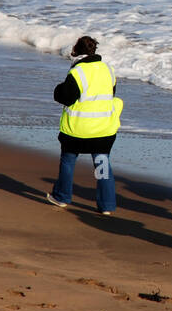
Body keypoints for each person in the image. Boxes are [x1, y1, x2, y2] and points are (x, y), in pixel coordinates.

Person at [47, 35, 123, 215]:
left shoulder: (77, 72)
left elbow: (65, 97)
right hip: (104, 128)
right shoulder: (108, 70)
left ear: (76, 51)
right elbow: (109, 93)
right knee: (102, 164)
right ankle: (106, 205)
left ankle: (62, 197)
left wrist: (58, 88)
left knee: (68, 161)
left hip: (78, 129)